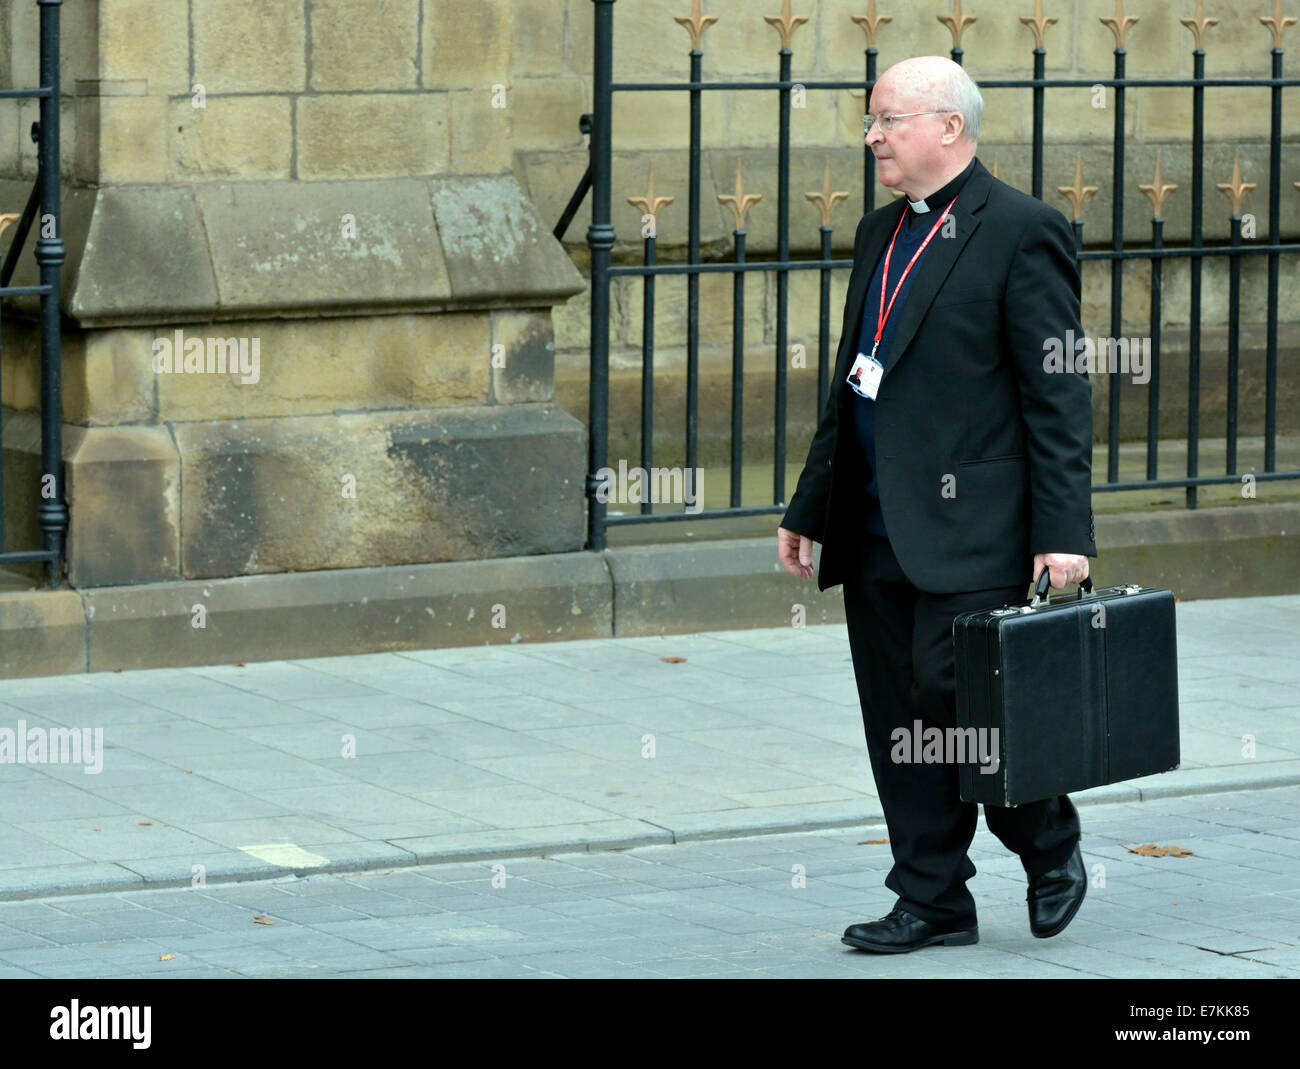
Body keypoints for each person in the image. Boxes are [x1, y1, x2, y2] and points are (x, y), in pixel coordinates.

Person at [777, 56, 1095, 953]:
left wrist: (1063, 534)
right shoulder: (881, 231)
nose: (872, 136)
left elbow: (1058, 395)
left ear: (948, 127)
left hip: (976, 529)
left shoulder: (1022, 229)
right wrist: (809, 506)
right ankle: (933, 899)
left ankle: (1048, 837)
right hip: (875, 524)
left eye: (888, 119)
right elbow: (853, 385)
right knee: (898, 720)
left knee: (967, 704)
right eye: (872, 121)